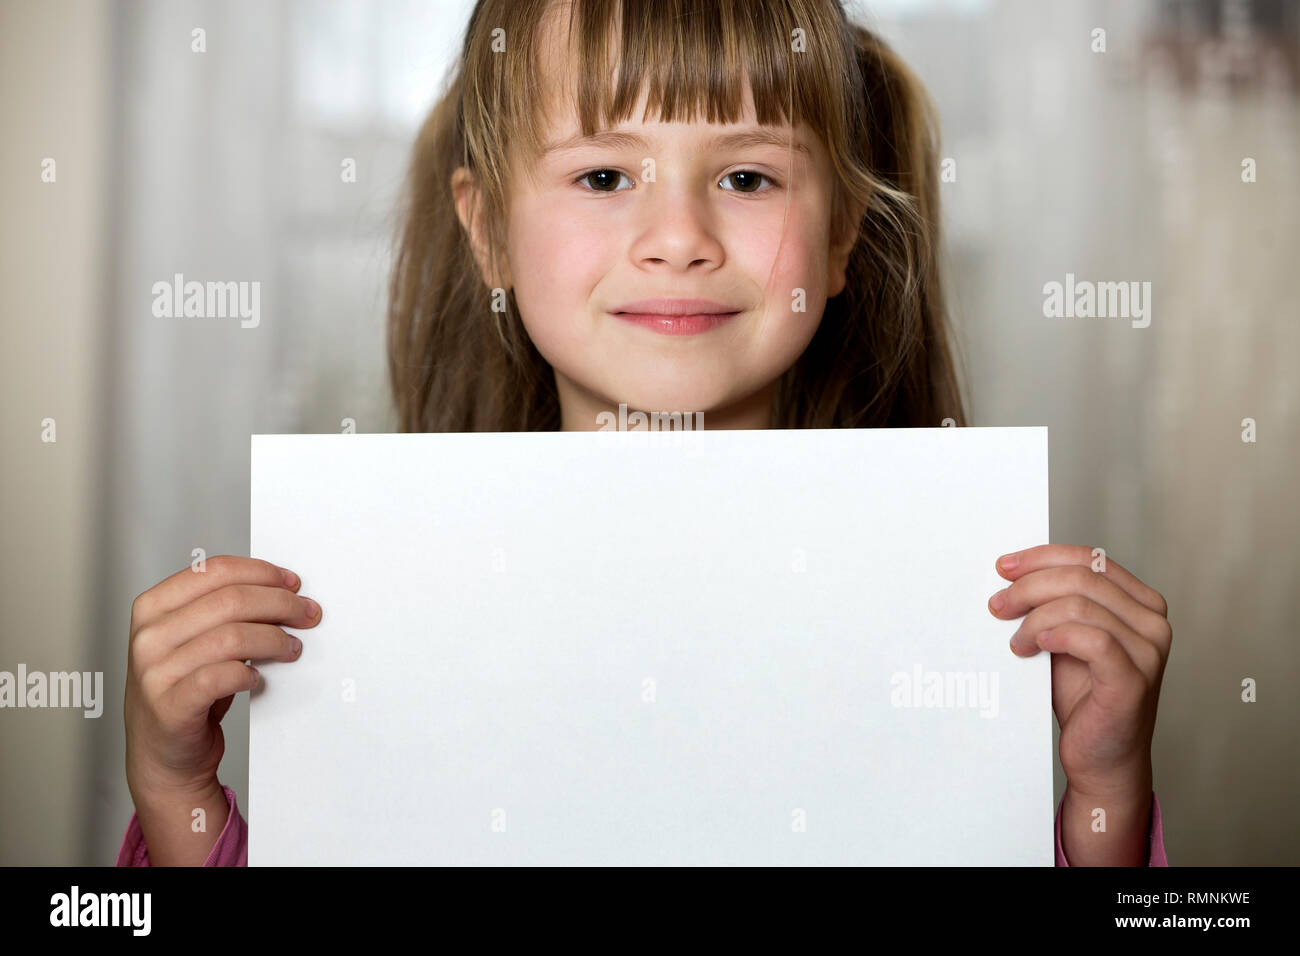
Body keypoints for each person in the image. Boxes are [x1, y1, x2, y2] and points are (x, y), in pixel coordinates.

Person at [118, 0, 1170, 866]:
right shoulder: (383, 601)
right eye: (605, 176)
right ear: (488, 232)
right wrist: (175, 791)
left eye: (747, 177)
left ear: (842, 234)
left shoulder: (969, 609)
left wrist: (1105, 792)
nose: (677, 239)